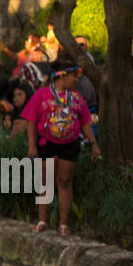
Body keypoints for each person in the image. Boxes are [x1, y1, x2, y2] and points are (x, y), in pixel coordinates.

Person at [22, 62, 100, 236]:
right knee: (45, 181)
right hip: (46, 143)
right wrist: (32, 145)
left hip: (69, 144)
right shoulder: (42, 95)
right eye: (73, 77)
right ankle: (43, 220)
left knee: (65, 181)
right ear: (62, 76)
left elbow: (85, 122)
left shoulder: (77, 98)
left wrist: (94, 143)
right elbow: (31, 120)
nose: (76, 81)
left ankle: (63, 224)